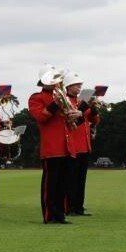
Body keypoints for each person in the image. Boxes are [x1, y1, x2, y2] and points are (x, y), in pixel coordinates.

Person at [28, 65, 80, 224]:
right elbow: (40, 117)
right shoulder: (36, 97)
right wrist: (55, 104)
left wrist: (78, 114)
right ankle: (50, 215)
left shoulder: (64, 96)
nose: (57, 82)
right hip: (52, 147)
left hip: (67, 145)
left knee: (63, 184)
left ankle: (60, 214)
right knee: (50, 184)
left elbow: (73, 119)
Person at [63, 72, 101, 216]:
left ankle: (79, 206)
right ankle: (69, 207)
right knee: (70, 178)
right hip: (72, 144)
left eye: (80, 85)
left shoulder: (81, 101)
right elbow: (72, 121)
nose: (79, 87)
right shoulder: (66, 101)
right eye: (76, 85)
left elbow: (95, 121)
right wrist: (84, 107)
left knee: (80, 179)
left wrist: (94, 108)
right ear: (68, 86)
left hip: (85, 144)